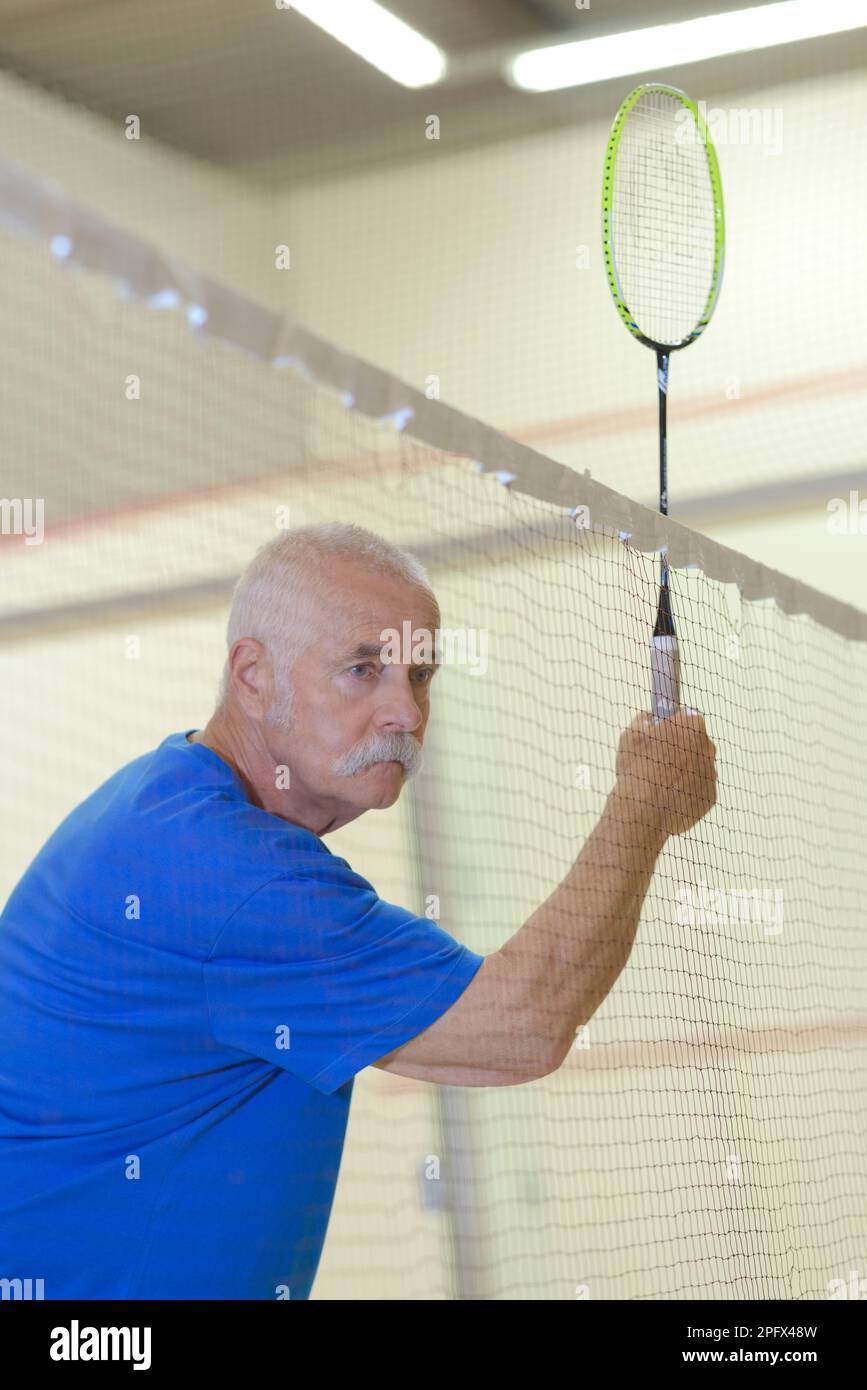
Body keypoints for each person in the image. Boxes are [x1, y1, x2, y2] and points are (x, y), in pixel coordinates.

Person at [0, 522, 715, 1300]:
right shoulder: (229, 875)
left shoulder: (173, 808)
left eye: (419, 675)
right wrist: (640, 806)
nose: (404, 714)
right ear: (252, 675)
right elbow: (521, 1024)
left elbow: (503, 1029)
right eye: (362, 669)